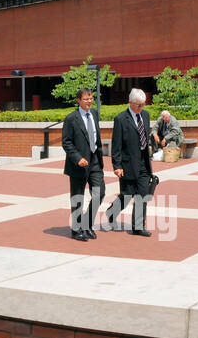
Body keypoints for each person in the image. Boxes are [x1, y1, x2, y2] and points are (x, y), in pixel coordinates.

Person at [105, 88, 153, 236]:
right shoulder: (120, 119)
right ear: (130, 103)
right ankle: (111, 212)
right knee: (127, 195)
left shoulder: (145, 115)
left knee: (142, 195)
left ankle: (138, 227)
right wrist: (117, 166)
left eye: (143, 104)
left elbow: (145, 135)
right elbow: (116, 144)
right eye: (138, 105)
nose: (141, 108)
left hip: (144, 163)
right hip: (127, 164)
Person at [62, 88, 104, 241]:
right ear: (78, 100)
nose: (90, 101)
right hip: (78, 164)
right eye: (86, 99)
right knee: (78, 197)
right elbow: (66, 142)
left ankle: (86, 224)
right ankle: (76, 229)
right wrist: (77, 157)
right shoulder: (71, 119)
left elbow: (95, 137)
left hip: (95, 162)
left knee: (100, 193)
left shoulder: (94, 114)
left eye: (91, 98)